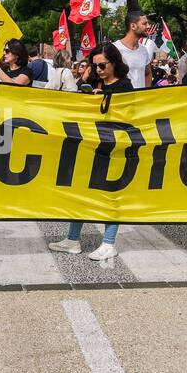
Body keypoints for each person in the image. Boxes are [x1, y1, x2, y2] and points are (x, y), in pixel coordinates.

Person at [48, 43, 132, 261]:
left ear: (114, 63)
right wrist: (85, 81)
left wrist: (105, 98)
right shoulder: (93, 81)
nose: (99, 70)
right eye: (95, 66)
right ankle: (73, 239)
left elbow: (127, 117)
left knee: (109, 195)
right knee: (81, 191)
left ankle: (109, 242)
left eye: (102, 65)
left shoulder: (125, 86)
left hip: (113, 148)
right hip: (89, 145)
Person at [111, 11, 158, 89]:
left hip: (141, 100)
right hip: (122, 99)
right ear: (133, 26)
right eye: (144, 23)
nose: (149, 26)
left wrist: (145, 92)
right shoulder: (114, 48)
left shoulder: (144, 50)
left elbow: (148, 73)